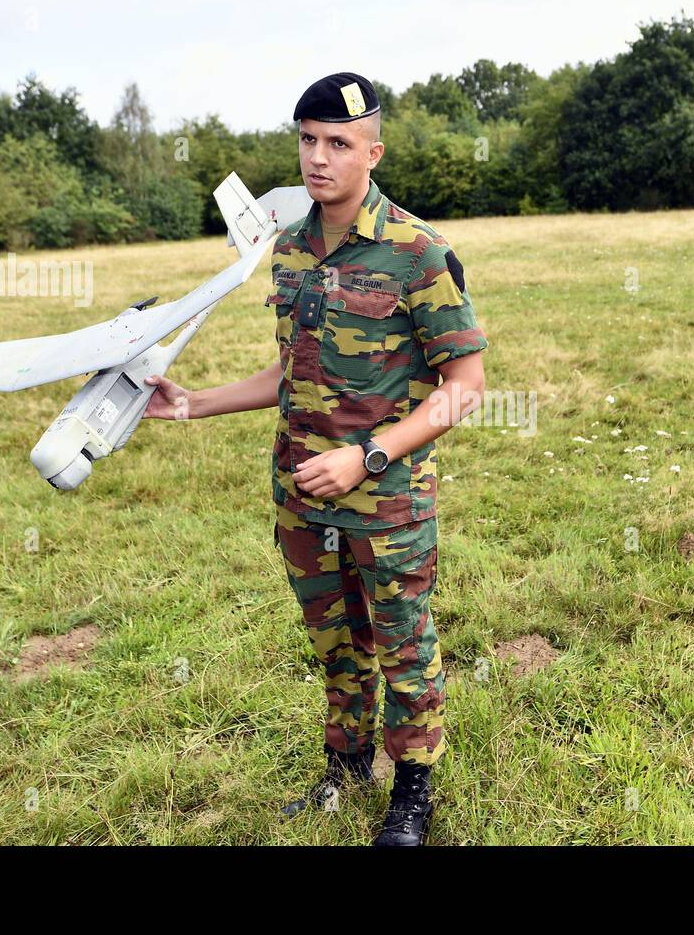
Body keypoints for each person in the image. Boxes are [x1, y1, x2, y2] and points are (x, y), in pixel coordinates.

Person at [141, 72, 488, 847]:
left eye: (337, 143)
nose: (318, 159)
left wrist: (366, 458)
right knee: (335, 641)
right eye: (307, 140)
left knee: (402, 641)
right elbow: (288, 374)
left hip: (386, 497)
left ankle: (413, 791)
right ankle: (346, 763)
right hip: (301, 494)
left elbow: (464, 388)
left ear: (373, 151)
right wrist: (192, 402)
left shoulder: (418, 252)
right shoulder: (290, 249)